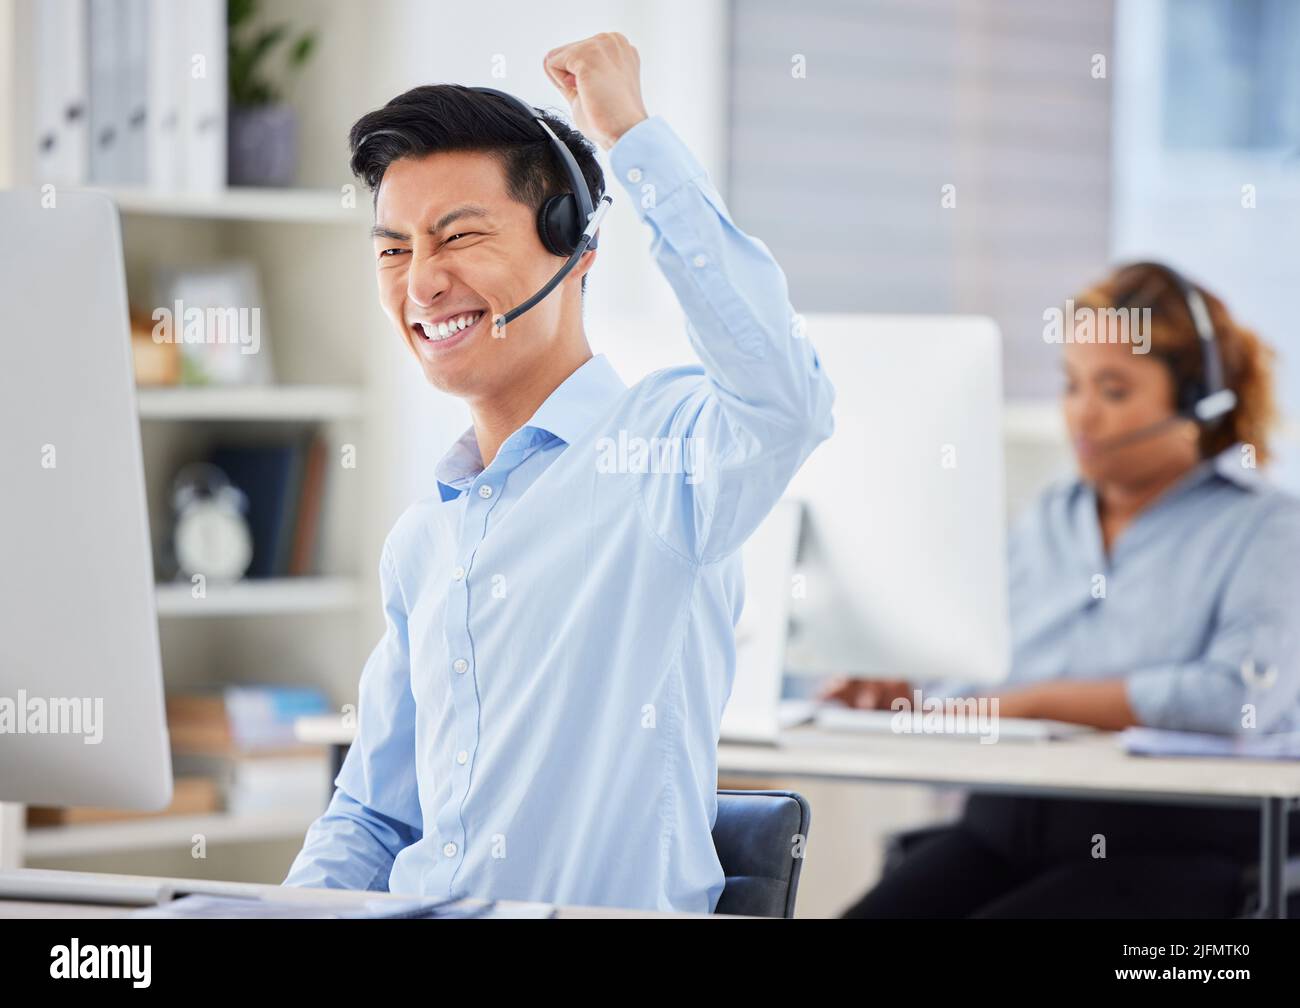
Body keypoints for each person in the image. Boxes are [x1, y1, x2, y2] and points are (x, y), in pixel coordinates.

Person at [283, 33, 835, 912]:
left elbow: (786, 399)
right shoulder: (427, 537)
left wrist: (631, 138)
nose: (422, 282)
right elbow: (376, 819)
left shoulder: (666, 460)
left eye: (457, 235)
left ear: (575, 248)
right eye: (393, 250)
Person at [826, 261, 1300, 918]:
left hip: (1165, 844)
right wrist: (913, 699)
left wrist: (1037, 703)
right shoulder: (1049, 516)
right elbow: (989, 669)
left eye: (1113, 390)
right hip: (1003, 828)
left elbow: (1237, 696)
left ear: (1197, 398)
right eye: (1071, 384)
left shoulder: (1266, 528)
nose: (1082, 412)